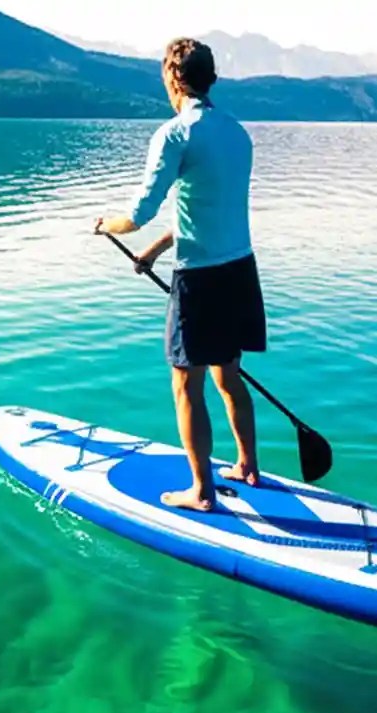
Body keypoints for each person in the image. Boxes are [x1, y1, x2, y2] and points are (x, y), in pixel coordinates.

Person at [93, 37, 265, 512]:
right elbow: (204, 212)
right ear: (212, 79)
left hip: (201, 280)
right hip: (240, 271)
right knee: (229, 377)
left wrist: (107, 224)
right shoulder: (237, 133)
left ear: (172, 78)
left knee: (186, 385)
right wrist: (152, 253)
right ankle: (248, 465)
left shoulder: (174, 134)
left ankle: (202, 492)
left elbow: (139, 213)